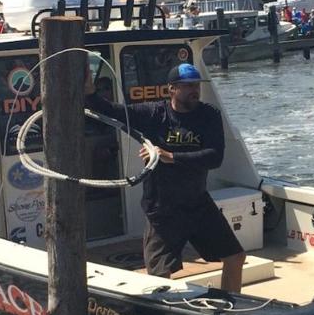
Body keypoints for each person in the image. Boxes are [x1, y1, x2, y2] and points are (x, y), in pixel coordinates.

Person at [84, 60, 245, 293]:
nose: (194, 91)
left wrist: (170, 155)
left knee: (235, 257)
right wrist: (90, 93)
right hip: (162, 208)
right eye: (187, 86)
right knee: (159, 275)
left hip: (198, 203)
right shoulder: (153, 113)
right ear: (172, 89)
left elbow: (214, 157)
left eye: (196, 85)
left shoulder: (209, 115)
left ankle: (231, 306)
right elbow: (112, 111)